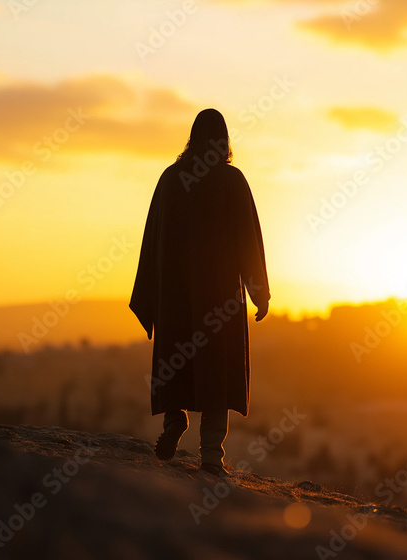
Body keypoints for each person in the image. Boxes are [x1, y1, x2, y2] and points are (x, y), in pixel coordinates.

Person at [130, 108, 270, 477]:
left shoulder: (170, 179)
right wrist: (259, 292)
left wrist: (150, 294)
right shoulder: (231, 180)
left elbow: (152, 240)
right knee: (216, 374)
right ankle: (211, 457)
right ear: (224, 141)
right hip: (219, 298)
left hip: (174, 295)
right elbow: (248, 241)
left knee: (176, 361)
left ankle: (174, 419)